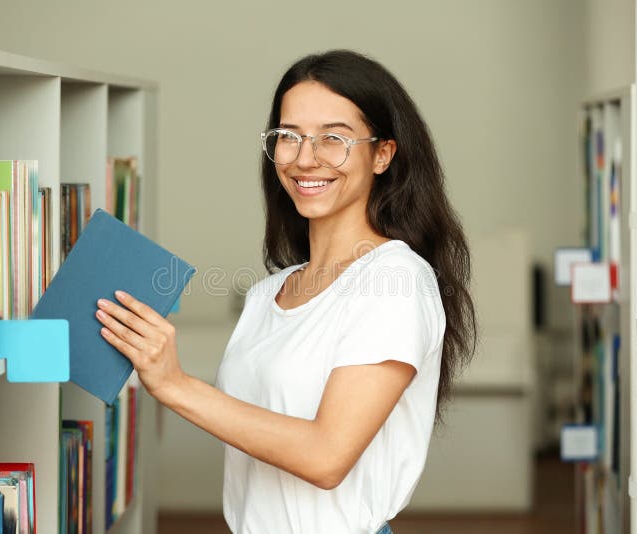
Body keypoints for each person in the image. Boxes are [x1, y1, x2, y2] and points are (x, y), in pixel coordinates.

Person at [95, 50, 476, 534]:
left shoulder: (396, 281)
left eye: (333, 139)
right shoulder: (268, 293)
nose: (304, 158)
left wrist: (174, 384)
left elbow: (326, 457)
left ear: (383, 154)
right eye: (288, 136)